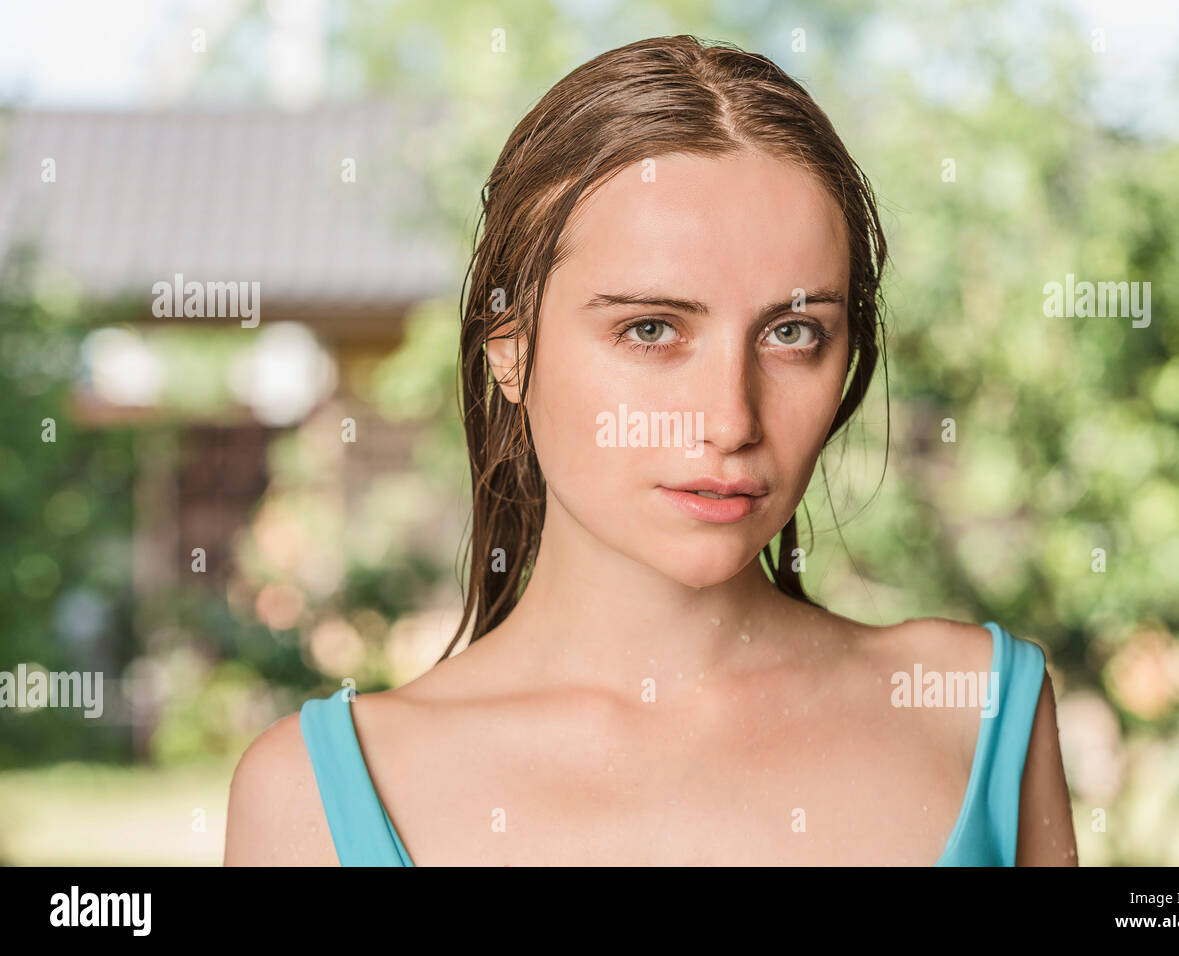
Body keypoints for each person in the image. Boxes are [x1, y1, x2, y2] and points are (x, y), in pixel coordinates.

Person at [224, 34, 1077, 866]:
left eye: (792, 332)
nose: (730, 420)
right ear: (510, 350)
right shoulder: (308, 802)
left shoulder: (979, 710)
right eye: (651, 328)